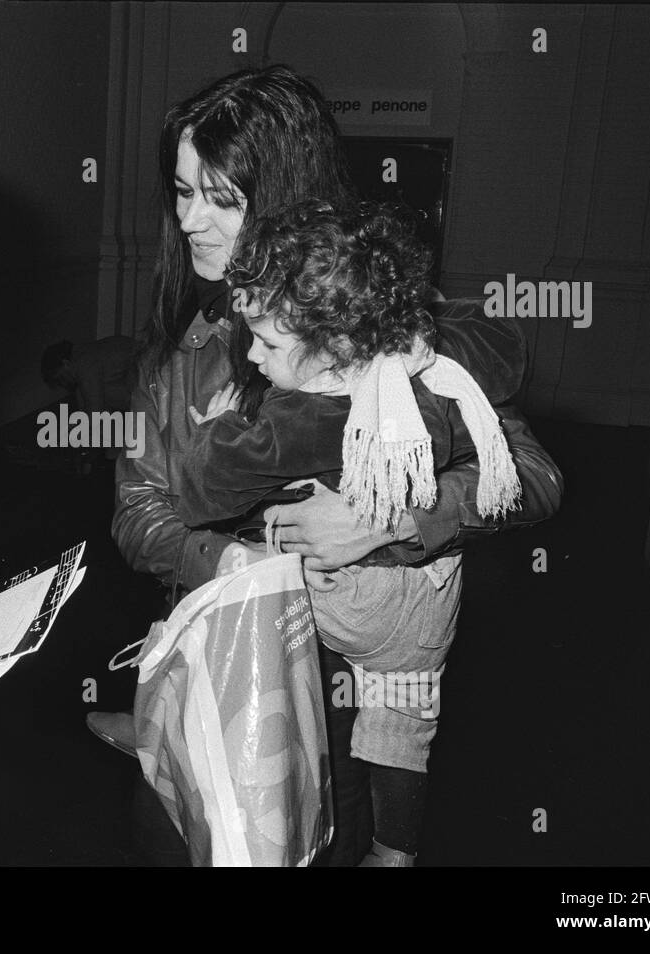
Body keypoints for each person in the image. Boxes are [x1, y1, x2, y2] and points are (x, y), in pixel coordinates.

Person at [98, 65, 563, 866]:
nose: (190, 222)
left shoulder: (384, 324)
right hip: (220, 668)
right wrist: (244, 562)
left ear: (283, 197)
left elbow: (534, 477)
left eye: (221, 197)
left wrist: (387, 519)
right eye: (180, 193)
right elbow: (137, 514)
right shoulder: (184, 349)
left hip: (337, 690)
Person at [178, 199, 540, 866]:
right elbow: (506, 354)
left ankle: (172, 737)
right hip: (426, 610)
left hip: (348, 609)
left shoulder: (292, 421)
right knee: (402, 726)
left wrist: (213, 427)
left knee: (246, 633)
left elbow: (199, 489)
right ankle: (394, 851)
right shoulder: (428, 379)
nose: (253, 354)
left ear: (335, 344)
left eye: (267, 342)